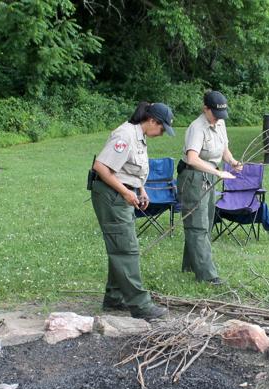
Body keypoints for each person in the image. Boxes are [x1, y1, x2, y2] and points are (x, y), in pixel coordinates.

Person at [91, 102, 174, 319]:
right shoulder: (125, 135)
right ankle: (140, 306)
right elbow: (100, 167)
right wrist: (126, 193)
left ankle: (114, 298)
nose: (162, 133)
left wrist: (140, 189)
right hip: (112, 195)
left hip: (123, 193)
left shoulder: (139, 136)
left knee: (121, 245)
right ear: (152, 121)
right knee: (126, 249)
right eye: (162, 128)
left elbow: (130, 169)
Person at [177, 90, 242, 285]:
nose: (217, 119)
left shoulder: (220, 122)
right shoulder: (197, 128)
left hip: (209, 175)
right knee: (197, 225)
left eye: (221, 115)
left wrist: (232, 161)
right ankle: (207, 275)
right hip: (193, 176)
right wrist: (218, 173)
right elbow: (192, 158)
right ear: (205, 109)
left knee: (206, 219)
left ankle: (190, 264)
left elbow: (223, 149)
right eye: (214, 114)